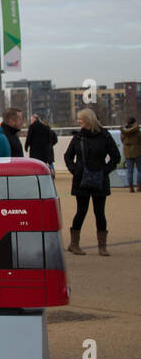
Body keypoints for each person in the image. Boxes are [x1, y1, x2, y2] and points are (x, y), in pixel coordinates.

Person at [63, 107, 121, 256]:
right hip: (81, 179)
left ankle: (102, 246)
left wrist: (104, 171)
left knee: (99, 212)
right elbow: (68, 156)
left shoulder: (104, 136)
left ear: (88, 120)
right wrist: (75, 170)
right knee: (81, 211)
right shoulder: (78, 137)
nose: (78, 121)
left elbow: (116, 157)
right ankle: (74, 244)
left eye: (80, 119)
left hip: (99, 179)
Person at [122, 116, 141, 192]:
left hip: (127, 151)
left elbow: (122, 139)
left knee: (130, 171)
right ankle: (139, 186)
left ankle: (131, 187)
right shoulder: (137, 131)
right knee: (140, 170)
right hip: (137, 151)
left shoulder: (124, 131)